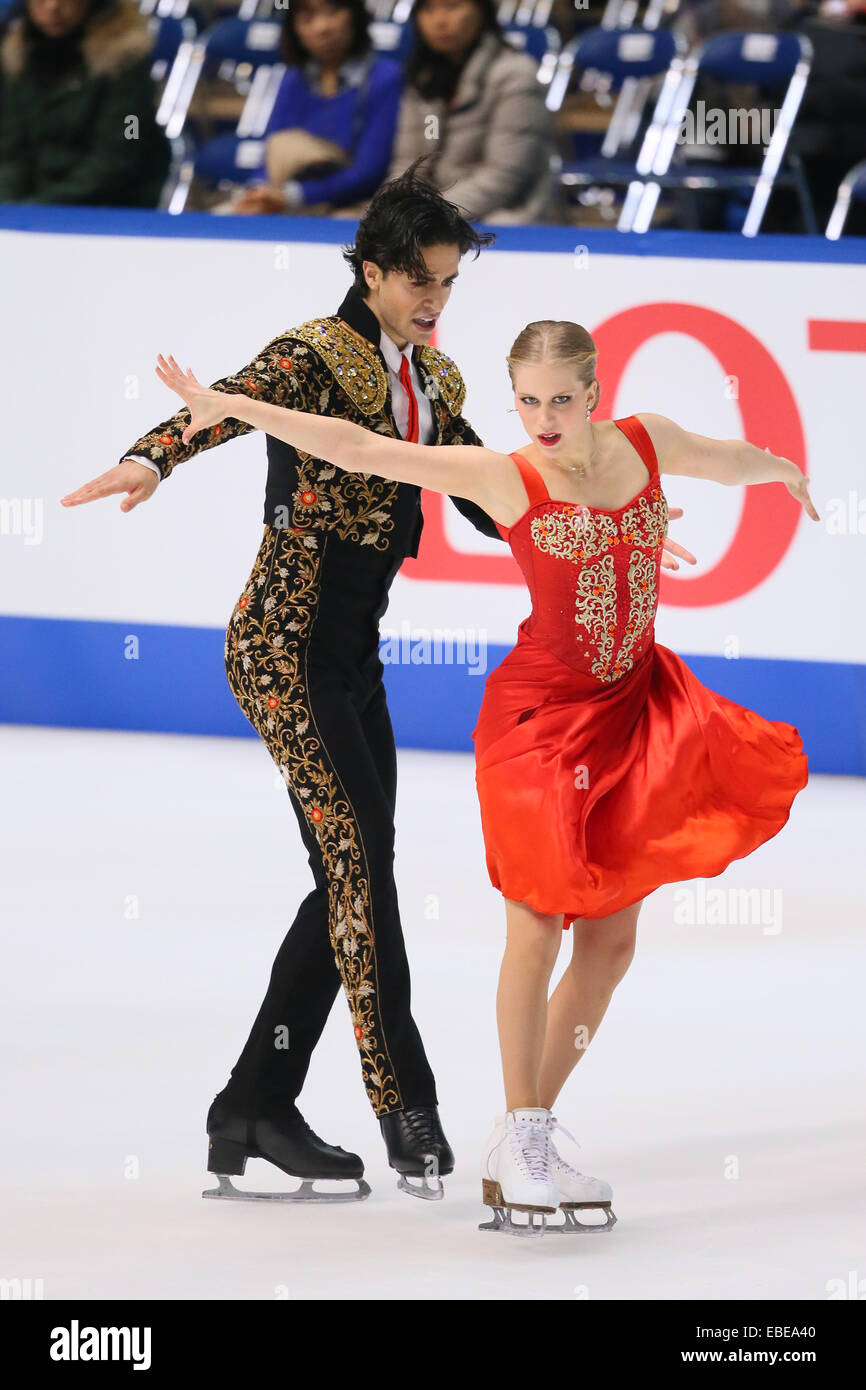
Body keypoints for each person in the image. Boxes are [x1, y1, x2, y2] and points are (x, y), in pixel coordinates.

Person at [59, 167, 690, 1204]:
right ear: (370, 272)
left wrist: (612, 509)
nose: (434, 299)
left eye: (445, 281)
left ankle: (252, 1103)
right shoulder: (316, 353)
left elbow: (501, 492)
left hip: (352, 653)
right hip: (281, 645)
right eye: (417, 282)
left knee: (351, 869)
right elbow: (229, 405)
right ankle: (410, 1110)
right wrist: (150, 459)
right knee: (358, 868)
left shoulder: (435, 385)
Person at [145, 318, 813, 1235]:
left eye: (561, 400)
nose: (542, 418)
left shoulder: (646, 443)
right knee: (537, 923)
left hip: (635, 710)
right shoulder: (506, 476)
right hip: (539, 725)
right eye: (527, 400)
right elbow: (357, 445)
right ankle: (528, 1133)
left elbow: (724, 458)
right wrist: (229, 408)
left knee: (612, 946)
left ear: (595, 392)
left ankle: (521, 1134)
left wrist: (786, 471)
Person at [230, 0, 402, 217]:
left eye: (333, 12)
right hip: (285, 201)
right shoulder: (292, 79)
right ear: (293, 28)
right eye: (307, 18)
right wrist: (258, 191)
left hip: (353, 206)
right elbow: (270, 154)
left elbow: (368, 173)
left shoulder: (385, 78)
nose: (322, 28)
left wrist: (293, 195)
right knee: (224, 219)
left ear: (355, 15)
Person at [387, 0, 553, 224]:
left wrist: (425, 216)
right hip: (435, 219)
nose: (439, 21)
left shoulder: (516, 75)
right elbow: (407, 164)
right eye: (428, 9)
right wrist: (387, 213)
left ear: (482, 11)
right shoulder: (423, 77)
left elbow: (504, 177)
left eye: (452, 6)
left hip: (505, 219)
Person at [0, 0, 170, 207]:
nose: (53, 6)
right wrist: (8, 203)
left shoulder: (128, 63)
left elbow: (126, 145)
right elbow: (10, 149)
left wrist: (43, 205)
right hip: (36, 203)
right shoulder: (17, 59)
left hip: (113, 204)